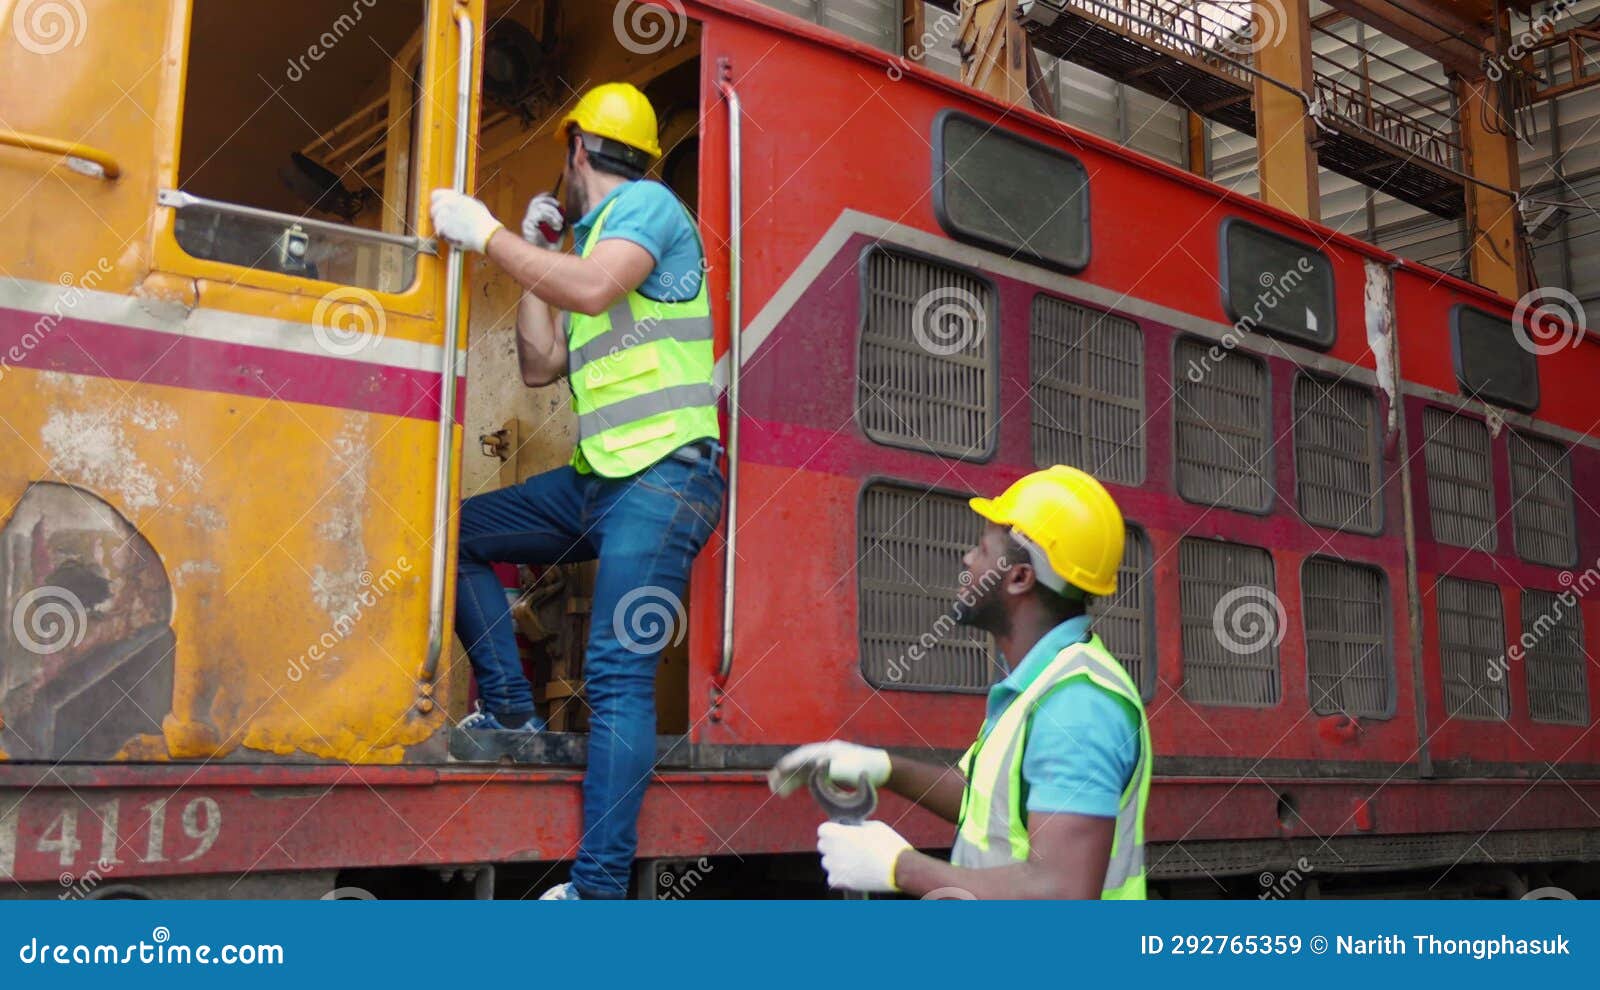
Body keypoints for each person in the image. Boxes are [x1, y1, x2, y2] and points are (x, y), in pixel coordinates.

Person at [429, 82, 724, 900]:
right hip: (602, 483)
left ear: (575, 147)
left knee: (618, 674)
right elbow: (536, 365)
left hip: (667, 479)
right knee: (452, 536)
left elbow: (592, 288)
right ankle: (513, 712)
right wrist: (533, 255)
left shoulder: (653, 210)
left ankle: (596, 897)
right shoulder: (593, 244)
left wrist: (486, 235)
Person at [769, 466, 1152, 899]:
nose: (968, 559)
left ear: (1019, 577)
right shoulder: (1042, 684)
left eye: (983, 549)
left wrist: (900, 867)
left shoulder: (1077, 706)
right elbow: (986, 803)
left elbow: (1060, 890)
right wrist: (882, 768)